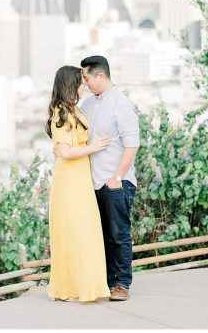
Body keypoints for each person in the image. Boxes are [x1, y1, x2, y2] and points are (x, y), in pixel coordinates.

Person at [45, 65, 111, 302]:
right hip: (70, 179)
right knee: (77, 230)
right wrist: (93, 147)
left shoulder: (72, 109)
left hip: (80, 177)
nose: (84, 85)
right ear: (70, 84)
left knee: (84, 230)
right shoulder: (61, 112)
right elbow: (64, 151)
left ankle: (81, 286)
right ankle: (74, 287)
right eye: (80, 81)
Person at [80, 55, 140, 301]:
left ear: (100, 75)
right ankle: (102, 281)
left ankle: (120, 284)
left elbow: (132, 145)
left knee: (118, 234)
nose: (84, 83)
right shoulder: (87, 104)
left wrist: (117, 177)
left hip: (116, 182)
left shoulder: (121, 104)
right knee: (99, 235)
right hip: (91, 182)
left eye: (86, 77)